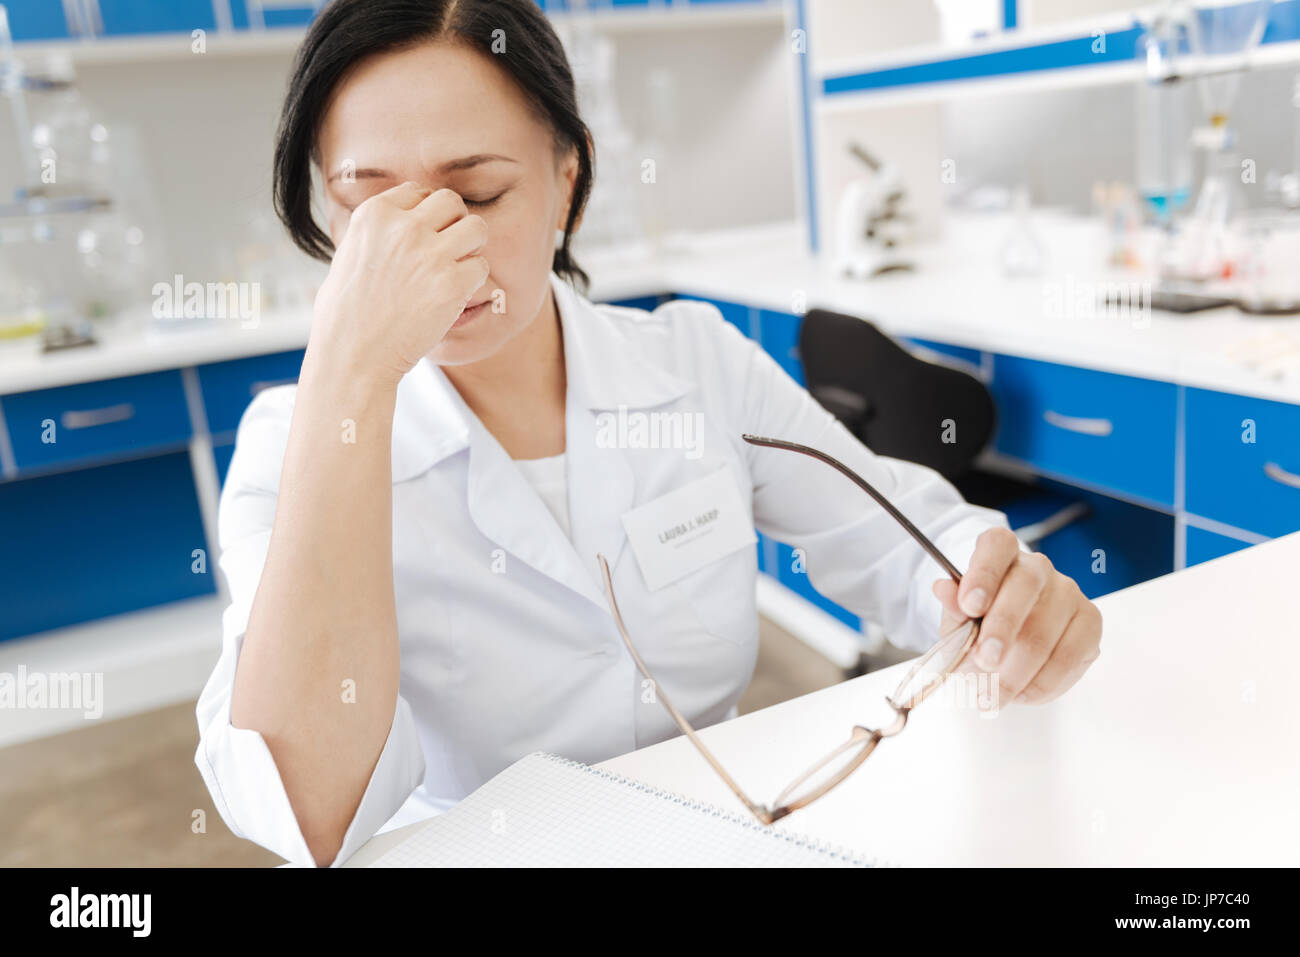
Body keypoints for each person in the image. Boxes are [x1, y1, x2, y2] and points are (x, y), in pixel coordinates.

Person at [195, 0, 1102, 868]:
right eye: (374, 209)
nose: (434, 249)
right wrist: (350, 372)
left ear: (566, 181)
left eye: (476, 193)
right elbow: (304, 809)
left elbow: (900, 540)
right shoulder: (296, 443)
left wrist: (998, 587)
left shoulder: (696, 363)